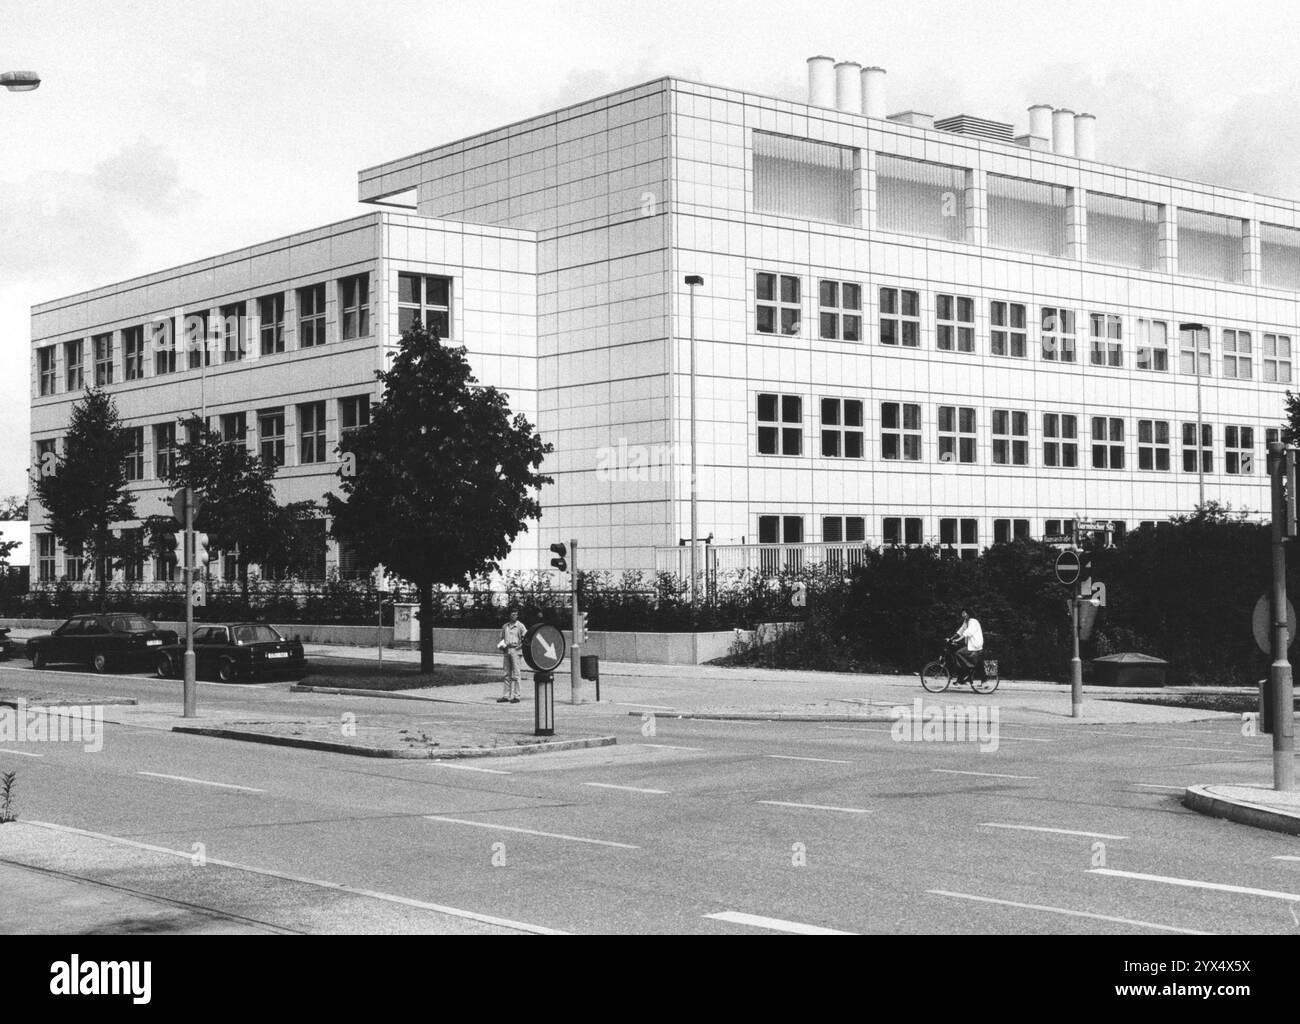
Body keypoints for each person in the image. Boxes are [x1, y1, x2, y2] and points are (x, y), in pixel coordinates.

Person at [498, 607, 527, 703]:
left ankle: (517, 696)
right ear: (509, 615)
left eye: (516, 614)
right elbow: (502, 637)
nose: (514, 616)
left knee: (516, 674)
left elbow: (526, 638)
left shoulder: (520, 626)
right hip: (507, 650)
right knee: (506, 673)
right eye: (513, 614)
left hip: (515, 650)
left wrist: (520, 647)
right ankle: (506, 695)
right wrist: (502, 645)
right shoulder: (505, 626)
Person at [950, 609, 984, 682]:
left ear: (968, 614)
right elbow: (960, 631)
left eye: (964, 613)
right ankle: (962, 676)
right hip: (970, 645)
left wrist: (957, 640)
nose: (962, 615)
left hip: (975, 645)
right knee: (958, 653)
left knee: (958, 653)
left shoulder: (973, 621)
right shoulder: (966, 622)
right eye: (962, 613)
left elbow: (968, 632)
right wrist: (951, 638)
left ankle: (969, 667)